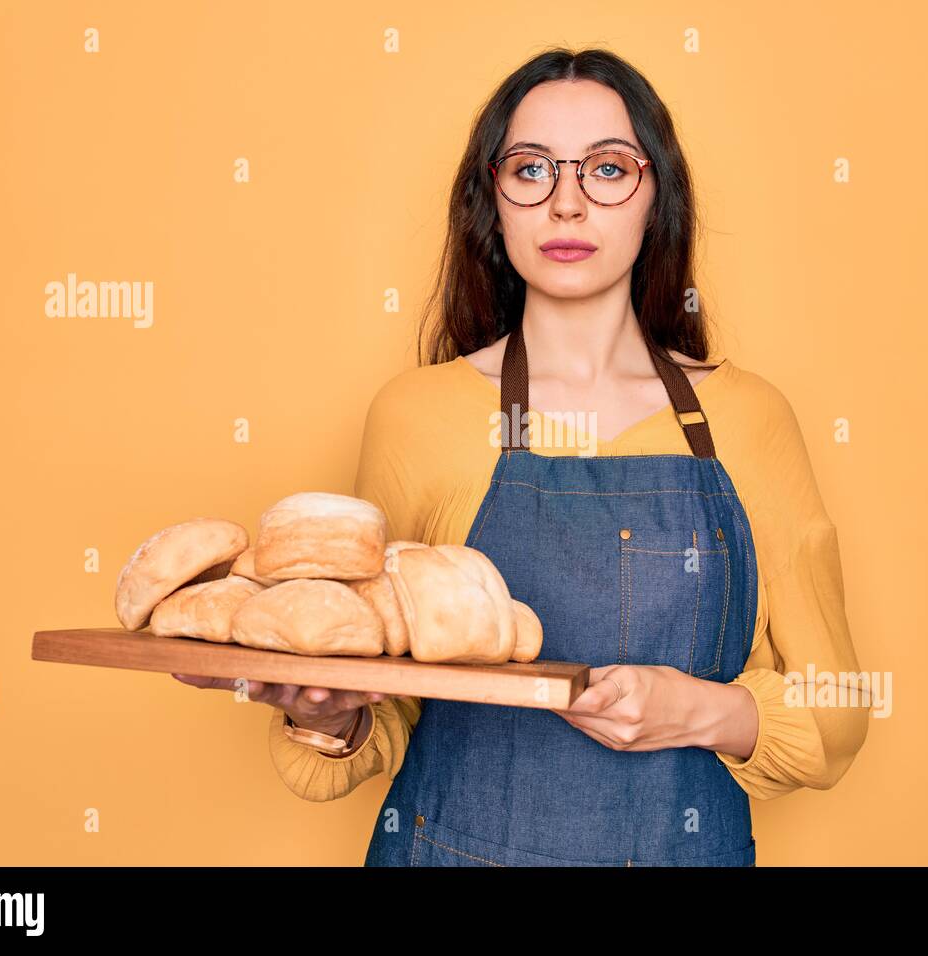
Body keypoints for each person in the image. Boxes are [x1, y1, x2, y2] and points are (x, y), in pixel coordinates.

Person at [175, 46, 869, 866]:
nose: (567, 204)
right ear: (491, 201)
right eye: (532, 169)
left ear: (656, 198)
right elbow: (384, 701)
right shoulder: (416, 414)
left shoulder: (748, 418)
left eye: (607, 169)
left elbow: (837, 707)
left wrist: (696, 711)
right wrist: (328, 714)